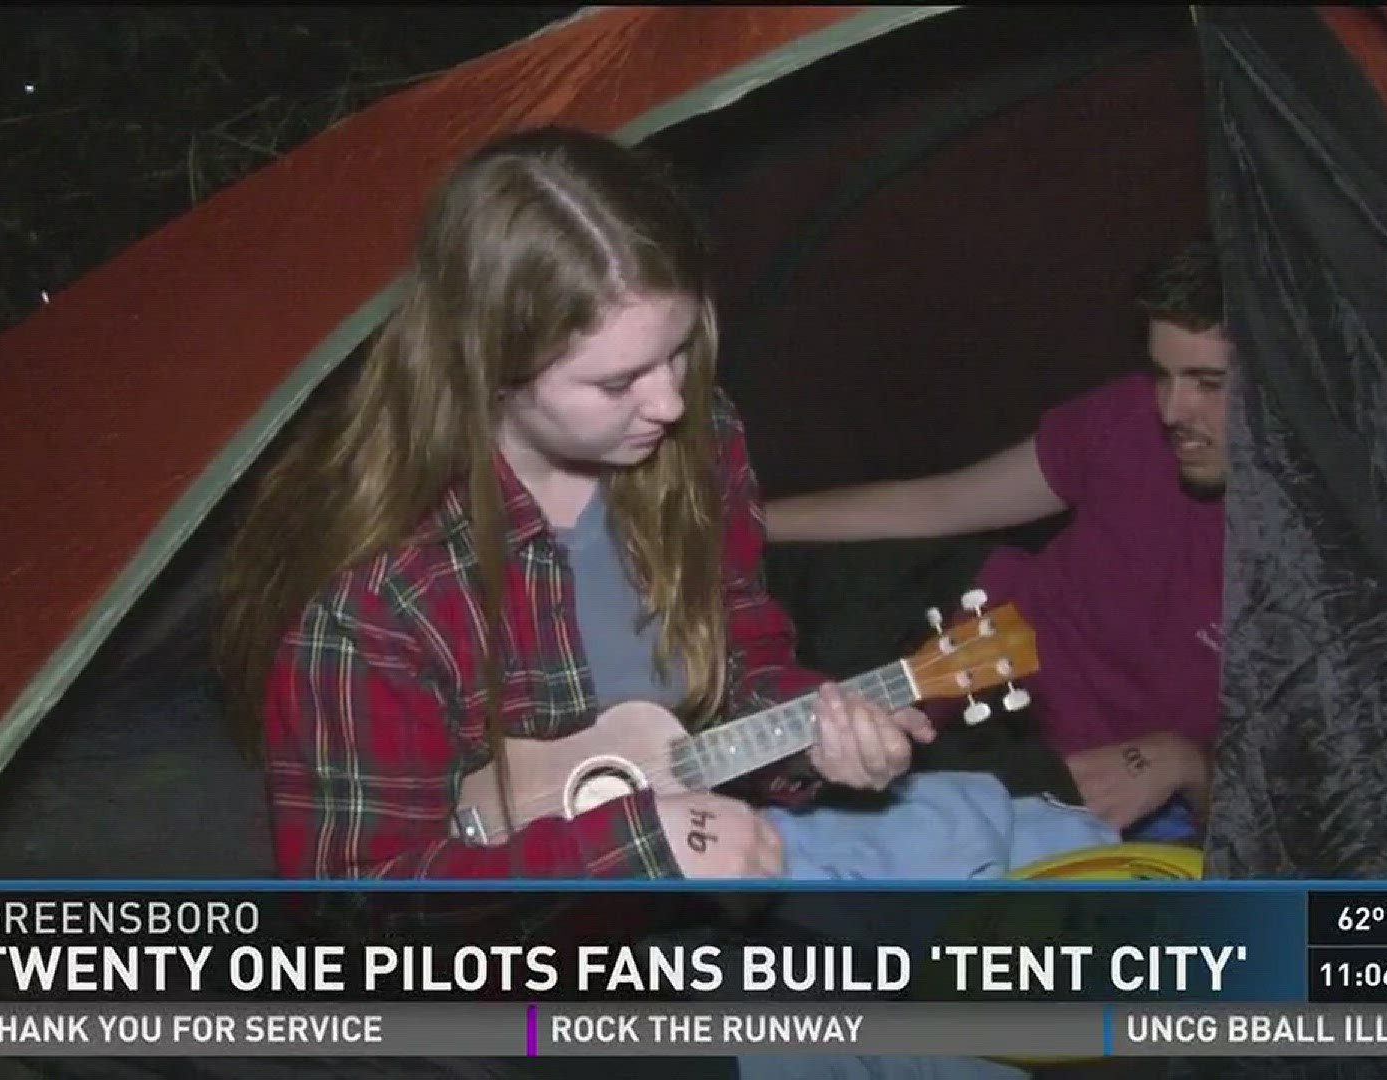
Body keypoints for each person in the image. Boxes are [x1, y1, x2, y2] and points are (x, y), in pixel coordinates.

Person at [214, 127, 936, 885]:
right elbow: (359, 900)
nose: (670, 402)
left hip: (708, 833)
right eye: (618, 382)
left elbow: (738, 634)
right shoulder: (379, 602)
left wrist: (810, 732)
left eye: (679, 350)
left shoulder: (699, 438)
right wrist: (641, 850)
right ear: (492, 372)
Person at [763, 241, 1231, 836]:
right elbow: (941, 503)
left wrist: (1189, 766)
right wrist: (734, 525)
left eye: (1209, 383)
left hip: (1071, 778)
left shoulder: (1325, 572)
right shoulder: (1127, 419)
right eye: (1162, 376)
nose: (1172, 410)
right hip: (970, 641)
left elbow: (1309, 818)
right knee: (757, 651)